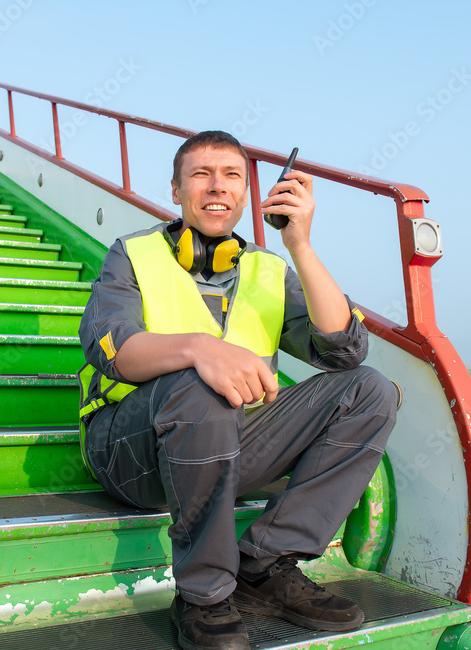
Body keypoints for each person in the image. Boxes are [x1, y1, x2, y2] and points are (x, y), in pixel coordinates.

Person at [78, 131, 398, 650]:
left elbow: (344, 351)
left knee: (368, 390)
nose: (215, 187)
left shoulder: (269, 269)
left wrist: (300, 245)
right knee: (200, 384)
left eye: (230, 176)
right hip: (131, 449)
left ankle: (264, 564)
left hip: (224, 446)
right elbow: (111, 348)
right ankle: (204, 595)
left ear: (248, 195)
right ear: (177, 191)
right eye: (200, 175)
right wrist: (198, 349)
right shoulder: (131, 254)